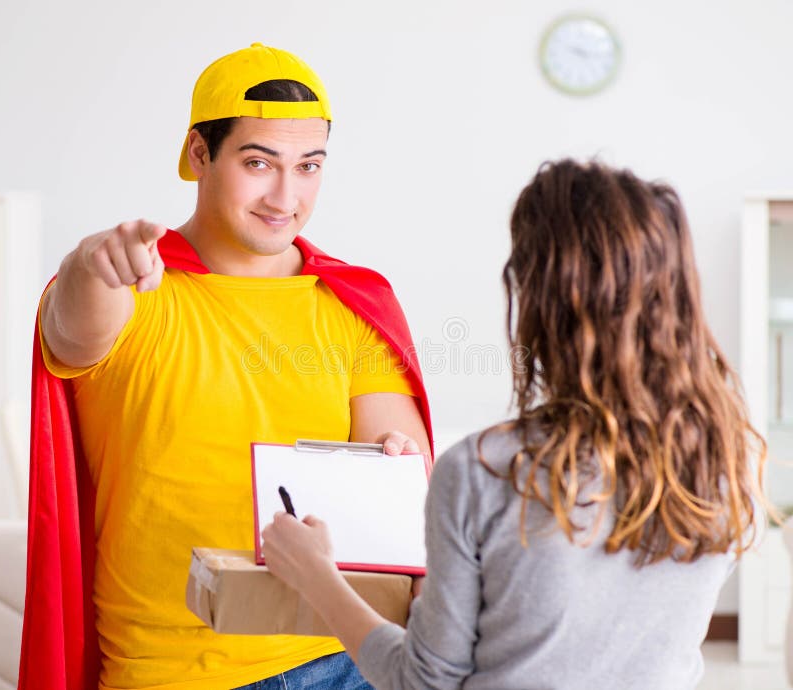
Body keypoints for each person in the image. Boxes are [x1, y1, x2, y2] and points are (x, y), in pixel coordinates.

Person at [261, 159, 767, 690]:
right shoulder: (729, 463)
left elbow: (423, 682)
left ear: (539, 300)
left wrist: (318, 577)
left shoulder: (485, 472)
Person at [19, 43, 432, 690]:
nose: (285, 196)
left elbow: (395, 450)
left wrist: (393, 462)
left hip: (339, 657)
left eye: (309, 166)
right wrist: (90, 261)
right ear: (198, 154)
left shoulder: (353, 302)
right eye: (259, 162)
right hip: (169, 672)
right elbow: (69, 332)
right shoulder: (131, 289)